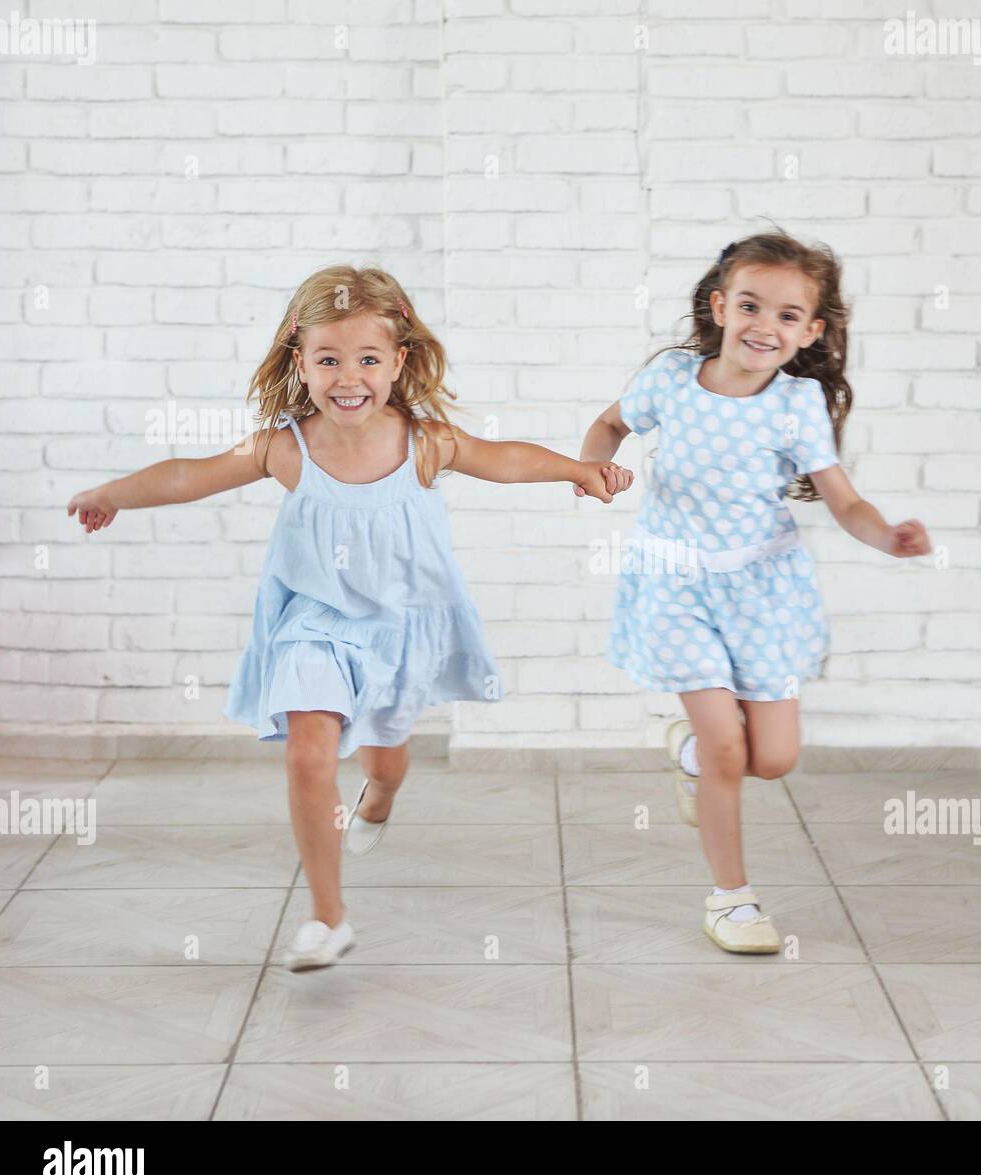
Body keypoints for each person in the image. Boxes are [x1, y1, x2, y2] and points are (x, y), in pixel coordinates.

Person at [67, 264, 633, 972]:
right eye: (329, 359)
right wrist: (113, 493)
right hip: (316, 624)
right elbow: (191, 473)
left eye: (367, 359)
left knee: (386, 763)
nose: (348, 377)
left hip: (401, 632)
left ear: (398, 362)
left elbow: (506, 459)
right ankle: (327, 917)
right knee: (308, 751)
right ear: (299, 360)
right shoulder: (286, 445)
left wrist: (579, 471)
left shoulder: (424, 440)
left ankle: (379, 799)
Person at [576, 230, 931, 954]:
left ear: (811, 331)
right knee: (728, 747)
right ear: (720, 306)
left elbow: (844, 503)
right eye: (750, 305)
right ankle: (731, 899)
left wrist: (888, 535)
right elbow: (610, 424)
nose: (765, 326)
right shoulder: (673, 378)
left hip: (762, 588)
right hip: (674, 582)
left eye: (788, 315)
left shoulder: (797, 405)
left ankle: (691, 757)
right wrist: (592, 470)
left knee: (773, 757)